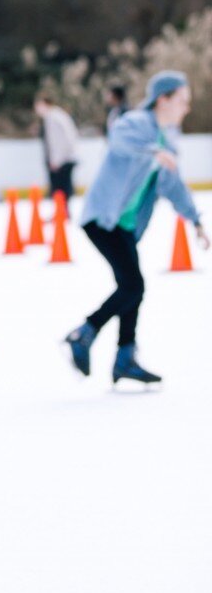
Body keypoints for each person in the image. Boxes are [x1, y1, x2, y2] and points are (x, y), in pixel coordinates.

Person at [65, 70, 209, 385]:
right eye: (182, 101)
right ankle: (85, 333)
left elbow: (173, 185)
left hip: (126, 224)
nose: (186, 108)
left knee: (132, 287)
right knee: (133, 285)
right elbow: (119, 139)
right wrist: (152, 150)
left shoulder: (169, 138)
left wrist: (195, 219)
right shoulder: (136, 123)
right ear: (163, 99)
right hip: (103, 219)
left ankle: (124, 357)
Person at [33, 94, 79, 210]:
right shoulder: (59, 114)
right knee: (64, 188)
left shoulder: (51, 118)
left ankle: (61, 213)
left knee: (59, 189)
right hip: (68, 157)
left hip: (62, 159)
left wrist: (55, 160)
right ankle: (62, 212)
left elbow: (56, 141)